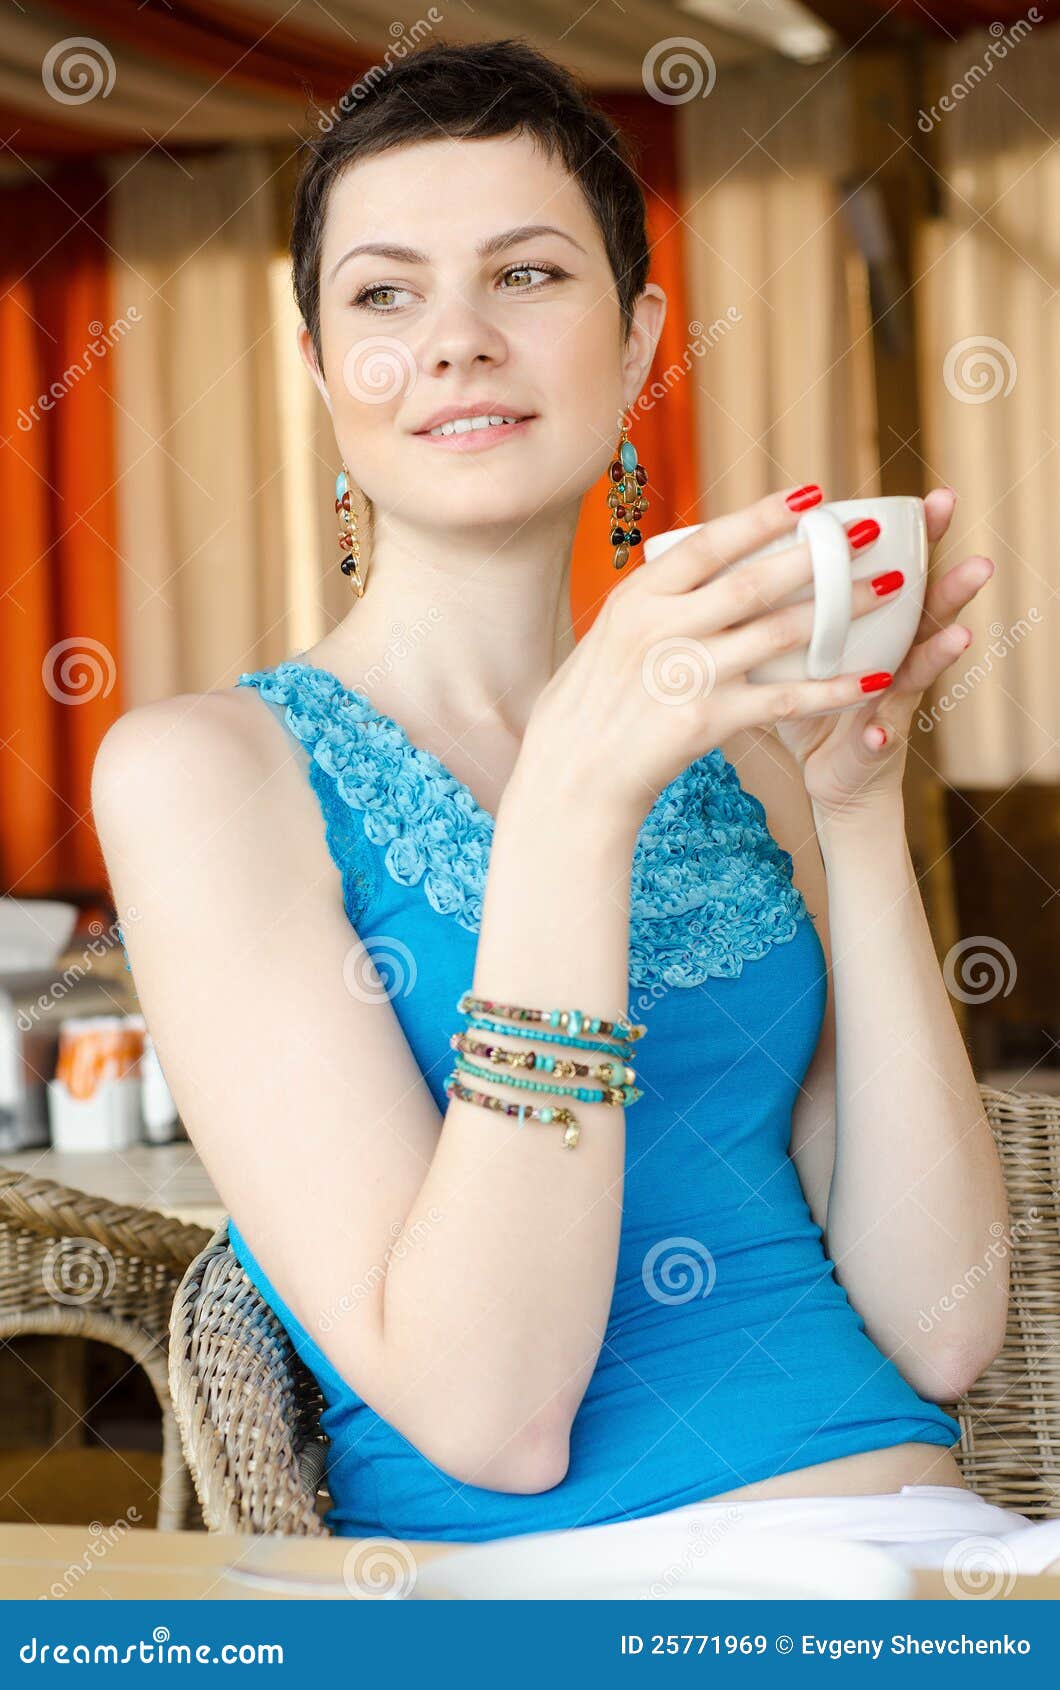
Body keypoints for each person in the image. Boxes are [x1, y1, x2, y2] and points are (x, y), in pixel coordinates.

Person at [92, 38, 1060, 1583]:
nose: (458, 340)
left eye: (528, 276)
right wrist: (574, 802)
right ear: (324, 368)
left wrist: (861, 816)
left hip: (940, 1546)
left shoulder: (743, 758)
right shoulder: (205, 775)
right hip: (564, 1583)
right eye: (386, 294)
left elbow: (941, 1325)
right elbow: (495, 1415)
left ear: (635, 343)